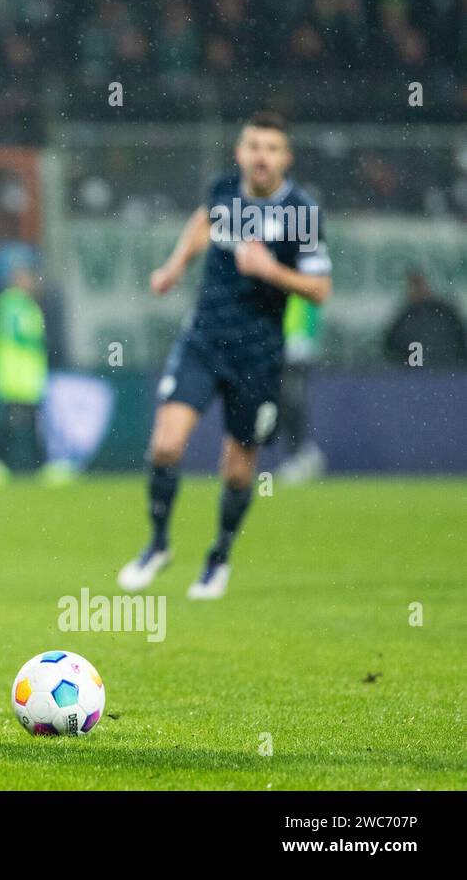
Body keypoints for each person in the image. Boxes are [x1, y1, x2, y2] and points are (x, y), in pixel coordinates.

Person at [118, 111, 332, 600]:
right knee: (167, 445)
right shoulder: (223, 189)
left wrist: (269, 270)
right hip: (203, 341)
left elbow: (320, 289)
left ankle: (218, 558)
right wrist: (174, 267)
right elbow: (203, 221)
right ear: (240, 152)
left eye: (272, 148)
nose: (261, 156)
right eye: (253, 146)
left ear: (286, 157)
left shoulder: (301, 212)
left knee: (236, 469)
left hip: (258, 358)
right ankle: (157, 545)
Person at [0, 253, 47, 484]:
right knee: (6, 424)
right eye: (26, 276)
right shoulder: (11, 303)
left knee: (29, 427)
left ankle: (36, 467)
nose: (31, 281)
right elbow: (22, 335)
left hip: (29, 379)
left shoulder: (29, 304)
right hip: (12, 378)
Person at [277, 293, 326, 483]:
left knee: (291, 401)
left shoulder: (302, 271)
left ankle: (301, 453)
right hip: (283, 343)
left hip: (297, 346)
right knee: (286, 402)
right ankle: (302, 452)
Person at [382, 271, 467, 368]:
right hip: (418, 376)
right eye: (413, 286)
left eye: (419, 285)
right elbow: (391, 349)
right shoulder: (404, 317)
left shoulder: (446, 313)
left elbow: (461, 341)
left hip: (450, 372)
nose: (416, 290)